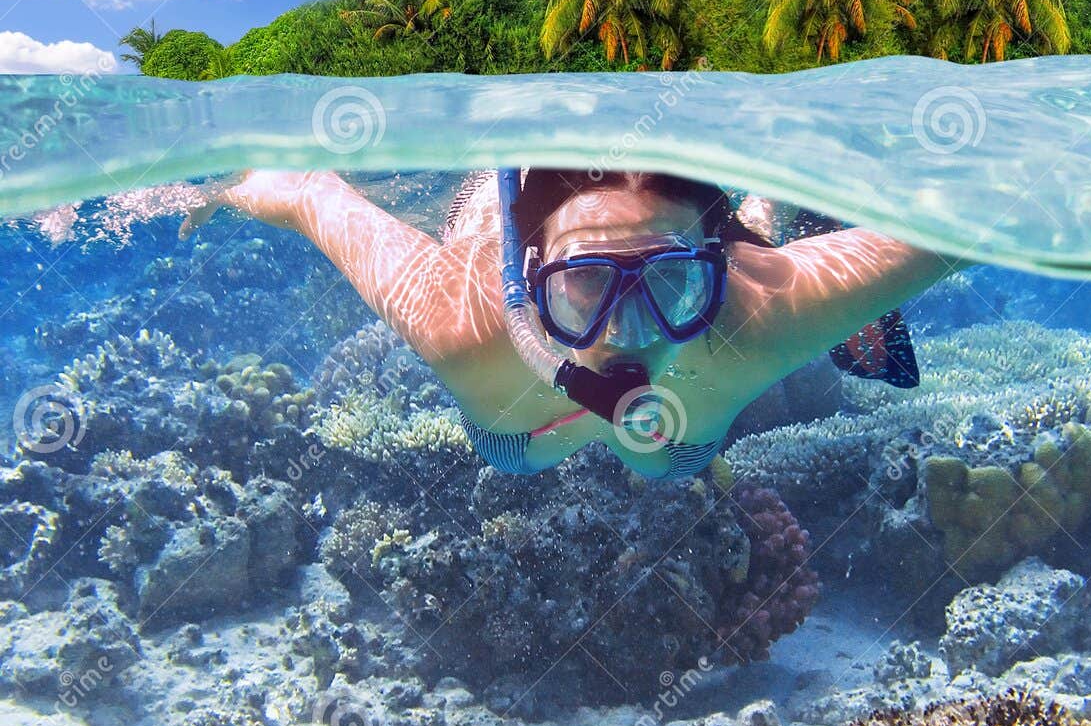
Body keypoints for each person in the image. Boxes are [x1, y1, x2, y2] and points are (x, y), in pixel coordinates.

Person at [181, 167, 956, 478]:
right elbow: (314, 192)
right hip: (498, 224)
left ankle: (764, 207)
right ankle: (512, 205)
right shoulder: (463, 321)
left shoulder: (758, 310)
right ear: (528, 283)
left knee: (661, 461)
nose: (627, 333)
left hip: (678, 422)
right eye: (584, 283)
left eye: (673, 282)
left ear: (712, 272)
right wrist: (225, 187)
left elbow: (965, 230)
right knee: (532, 455)